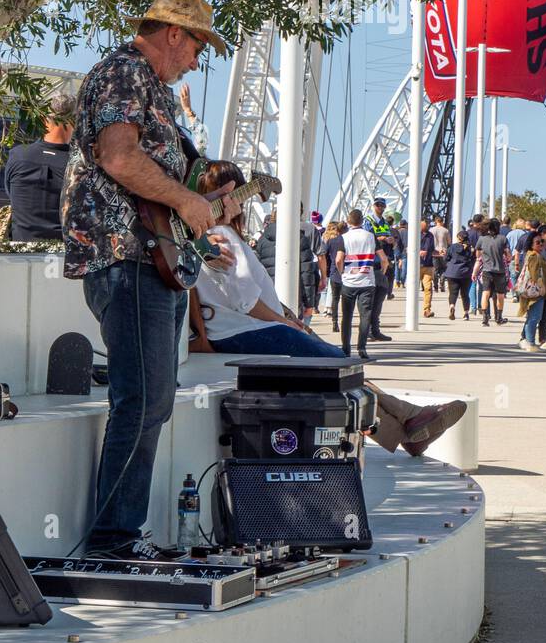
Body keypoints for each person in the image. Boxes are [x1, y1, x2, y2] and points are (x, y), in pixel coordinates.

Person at [61, 0, 238, 561]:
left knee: (153, 400)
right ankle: (112, 542)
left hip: (151, 260)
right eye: (195, 48)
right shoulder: (123, 72)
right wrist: (188, 200)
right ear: (172, 35)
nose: (195, 61)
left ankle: (120, 535)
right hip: (124, 258)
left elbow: (172, 191)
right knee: (142, 400)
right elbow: (117, 158)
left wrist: (208, 209)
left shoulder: (154, 90)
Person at [195, 164, 466, 457]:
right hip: (246, 329)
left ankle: (405, 428)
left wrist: (284, 316)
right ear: (230, 194)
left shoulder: (200, 238)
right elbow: (246, 301)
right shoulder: (222, 235)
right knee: (338, 367)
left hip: (233, 328)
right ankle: (409, 416)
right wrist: (287, 324)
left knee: (333, 373)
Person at [4, 92, 76, 241]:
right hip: (63, 252)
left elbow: (11, 195)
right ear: (74, 121)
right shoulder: (78, 163)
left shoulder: (18, 155)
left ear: (43, 119)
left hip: (20, 249)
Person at [255, 209, 321, 321]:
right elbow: (306, 273)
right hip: (293, 297)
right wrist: (309, 303)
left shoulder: (262, 240)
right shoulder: (299, 238)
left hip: (267, 297)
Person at [335, 208, 383, 360]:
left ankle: (346, 348)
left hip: (349, 281)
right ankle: (362, 348)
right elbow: (384, 259)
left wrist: (342, 272)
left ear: (349, 221)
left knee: (347, 317)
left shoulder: (344, 238)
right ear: (362, 221)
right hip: (367, 281)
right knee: (365, 316)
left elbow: (338, 259)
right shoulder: (371, 236)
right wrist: (380, 271)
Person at [364, 198, 395, 342]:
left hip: (384, 262)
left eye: (382, 205)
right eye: (378, 205)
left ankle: (375, 329)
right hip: (373, 263)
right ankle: (370, 330)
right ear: (374, 206)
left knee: (379, 299)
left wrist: (390, 240)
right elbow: (367, 237)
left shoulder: (384, 222)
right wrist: (382, 238)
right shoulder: (368, 220)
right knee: (371, 300)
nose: (380, 207)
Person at [517, 231, 546, 349]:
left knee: (533, 316)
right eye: (537, 242)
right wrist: (541, 287)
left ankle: (526, 340)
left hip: (536, 291)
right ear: (531, 244)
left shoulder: (536, 254)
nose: (541, 244)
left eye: (542, 241)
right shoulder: (533, 256)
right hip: (535, 291)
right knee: (534, 317)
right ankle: (530, 342)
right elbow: (534, 275)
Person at [476, 218, 510, 326]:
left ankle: (485, 318)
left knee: (485, 293)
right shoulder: (503, 238)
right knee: (500, 294)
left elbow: (477, 255)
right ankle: (499, 318)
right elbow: (508, 256)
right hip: (499, 271)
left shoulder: (482, 239)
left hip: (486, 270)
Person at [444, 229, 475, 320]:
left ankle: (452, 306)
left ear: (458, 238)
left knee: (453, 293)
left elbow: (446, 258)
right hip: (465, 273)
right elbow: (473, 260)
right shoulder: (470, 249)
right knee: (465, 294)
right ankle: (466, 313)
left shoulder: (452, 247)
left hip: (452, 273)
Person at [323, 219, 346, 331]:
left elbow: (325, 255)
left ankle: (335, 322)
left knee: (335, 299)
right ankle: (345, 322)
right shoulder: (347, 241)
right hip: (347, 273)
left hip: (334, 273)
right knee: (347, 300)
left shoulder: (331, 241)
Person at [419, 218, 436, 317]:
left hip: (428, 265)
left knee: (428, 288)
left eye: (428, 225)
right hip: (416, 265)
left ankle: (427, 309)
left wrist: (439, 253)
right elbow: (406, 248)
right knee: (413, 289)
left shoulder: (430, 235)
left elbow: (432, 249)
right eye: (424, 225)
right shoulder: (414, 233)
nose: (426, 227)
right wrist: (418, 252)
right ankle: (411, 309)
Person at [432, 214, 451, 294]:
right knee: (444, 269)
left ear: (435, 221)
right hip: (443, 252)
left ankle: (435, 286)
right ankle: (442, 284)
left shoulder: (431, 230)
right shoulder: (445, 231)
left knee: (435, 270)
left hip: (434, 252)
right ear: (442, 222)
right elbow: (449, 242)